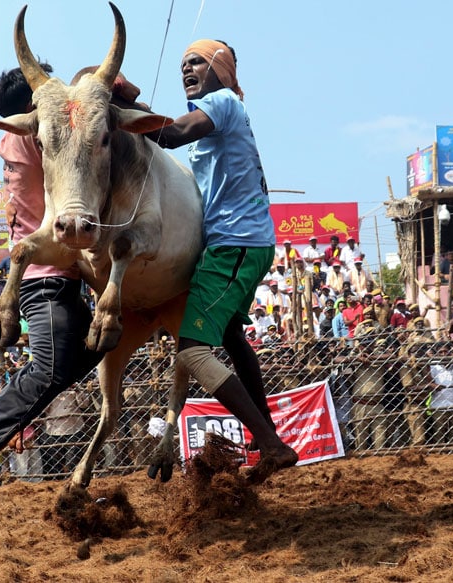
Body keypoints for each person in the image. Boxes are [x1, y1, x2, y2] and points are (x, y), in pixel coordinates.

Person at [0, 63, 106, 494]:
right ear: (33, 104)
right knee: (50, 371)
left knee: (106, 341)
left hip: (59, 277)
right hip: (43, 279)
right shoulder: (33, 137)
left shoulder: (13, 139)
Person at [150, 39, 297, 482]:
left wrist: (120, 112)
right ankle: (266, 433)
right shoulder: (225, 112)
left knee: (193, 351)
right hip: (248, 243)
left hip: (233, 245)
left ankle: (271, 444)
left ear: (222, 71)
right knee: (231, 334)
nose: (186, 69)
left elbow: (173, 134)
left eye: (197, 61)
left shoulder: (222, 101)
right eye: (182, 64)